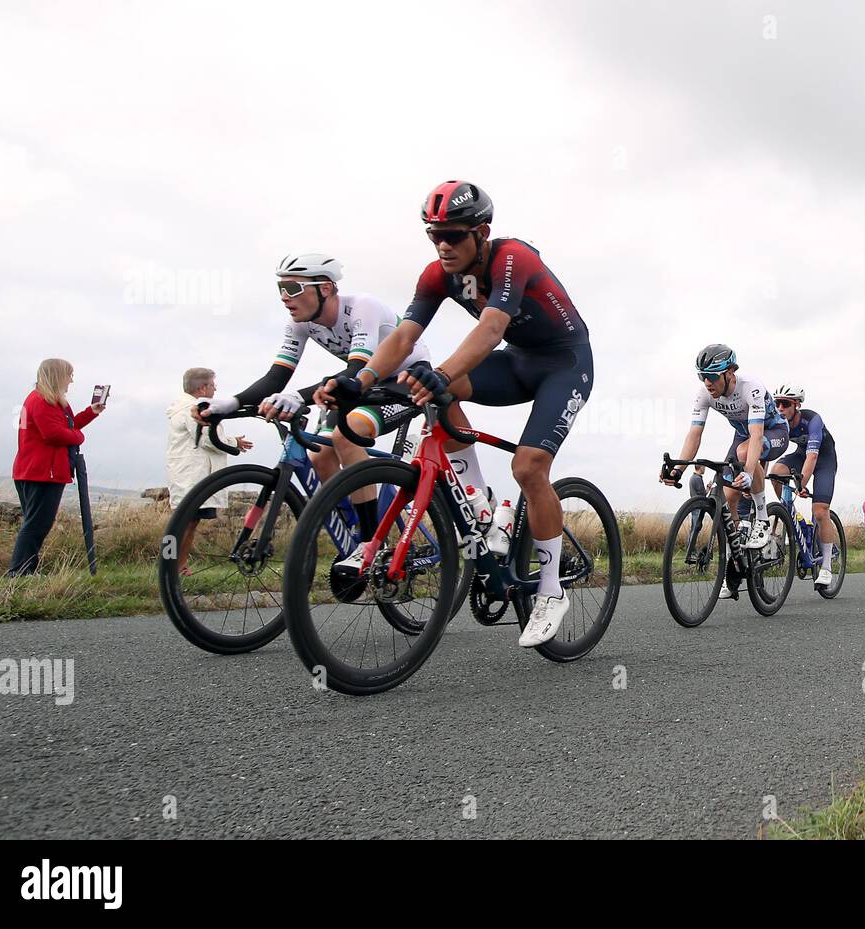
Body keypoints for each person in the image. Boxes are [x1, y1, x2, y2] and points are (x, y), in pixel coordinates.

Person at [336, 181, 592, 646]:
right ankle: (478, 501)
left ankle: (551, 592)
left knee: (528, 466)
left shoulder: (513, 257)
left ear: (481, 232)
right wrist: (363, 379)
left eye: (453, 235)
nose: (442, 245)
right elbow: (403, 338)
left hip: (566, 363)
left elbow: (492, 327)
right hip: (519, 361)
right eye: (433, 235)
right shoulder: (437, 274)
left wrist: (442, 371)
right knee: (437, 389)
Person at [199, 253, 435, 574]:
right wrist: (227, 405)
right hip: (359, 385)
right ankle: (353, 528)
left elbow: (356, 370)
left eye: (293, 288)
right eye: (280, 288)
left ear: (325, 288)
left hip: (404, 380)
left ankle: (369, 544)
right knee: (320, 455)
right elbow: (275, 378)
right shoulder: (299, 324)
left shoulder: (362, 308)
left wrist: (297, 398)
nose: (285, 297)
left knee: (346, 435)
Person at [663, 344, 788, 600]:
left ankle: (762, 519)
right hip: (743, 437)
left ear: (730, 372)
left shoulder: (750, 387)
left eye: (711, 376)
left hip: (773, 433)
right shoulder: (704, 394)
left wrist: (751, 472)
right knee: (728, 496)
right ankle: (734, 567)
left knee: (743, 456)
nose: (706, 382)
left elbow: (756, 435)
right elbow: (694, 435)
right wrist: (678, 469)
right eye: (701, 376)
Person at [8, 359, 106, 576]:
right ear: (58, 375)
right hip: (42, 472)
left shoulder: (47, 400)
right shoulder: (42, 401)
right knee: (37, 525)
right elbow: (53, 434)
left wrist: (91, 412)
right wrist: (79, 437)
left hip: (33, 470)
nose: (71, 380)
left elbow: (67, 425)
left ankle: (26, 570)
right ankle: (19, 572)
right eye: (69, 375)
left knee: (34, 523)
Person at [167, 368, 253, 575]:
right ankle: (172, 567)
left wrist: (231, 441)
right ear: (203, 387)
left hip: (188, 471)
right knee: (184, 522)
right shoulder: (193, 408)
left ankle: (177, 566)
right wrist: (233, 443)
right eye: (213, 385)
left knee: (188, 521)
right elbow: (208, 438)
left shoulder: (181, 407)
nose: (215, 389)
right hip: (193, 473)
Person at [769, 384, 839, 587]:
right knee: (776, 473)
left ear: (797, 405)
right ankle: (793, 515)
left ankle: (826, 566)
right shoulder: (776, 421)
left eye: (785, 404)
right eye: (777, 403)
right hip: (801, 455)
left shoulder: (813, 420)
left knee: (819, 511)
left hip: (823, 460)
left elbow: (813, 455)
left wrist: (802, 483)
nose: (780, 408)